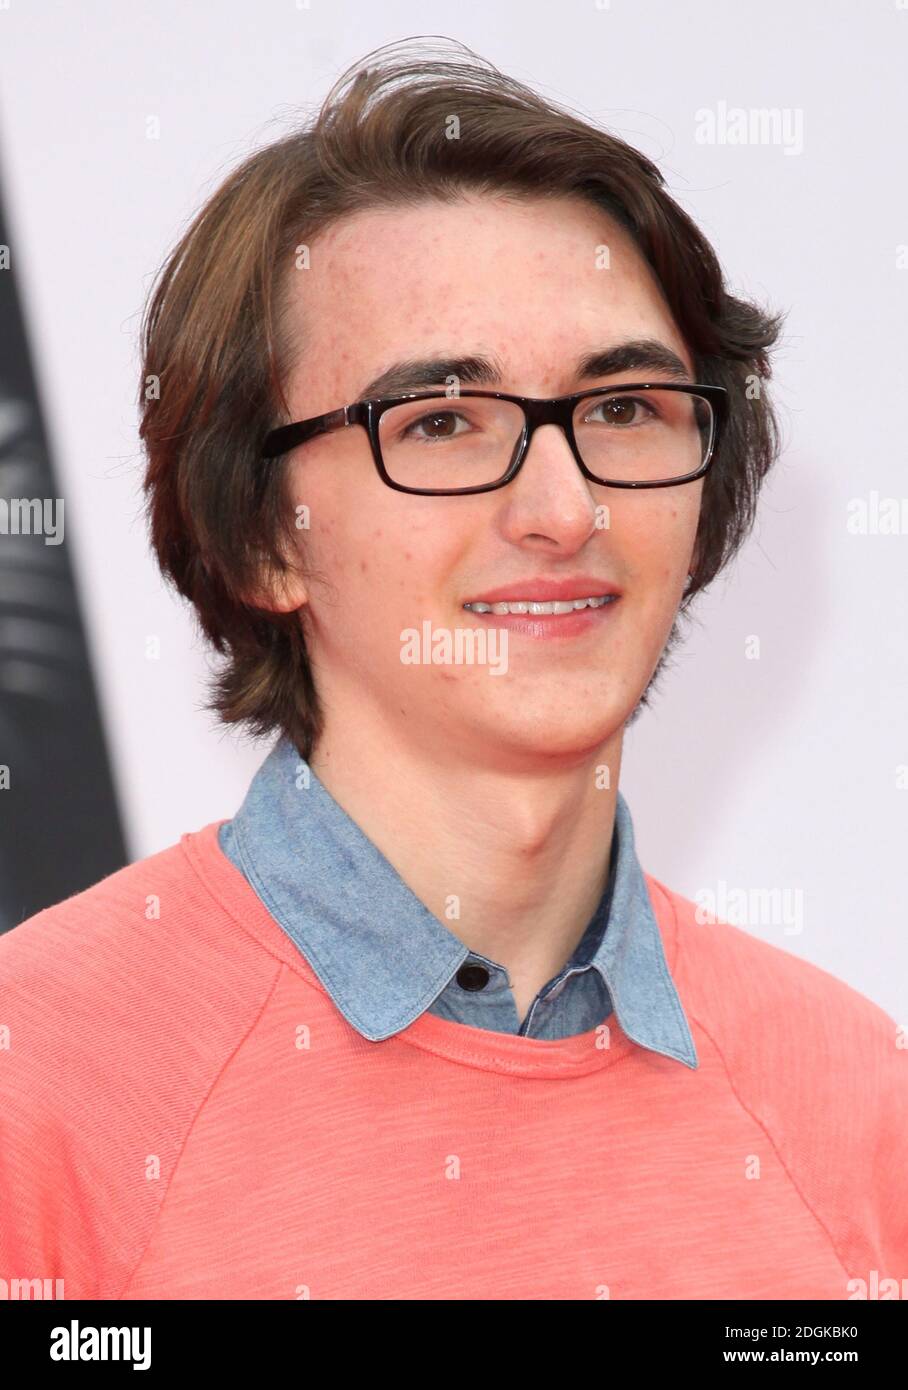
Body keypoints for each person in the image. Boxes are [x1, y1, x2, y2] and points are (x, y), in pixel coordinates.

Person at [1, 38, 904, 1302]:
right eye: (436, 422)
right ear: (262, 534)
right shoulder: (37, 1081)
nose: (562, 504)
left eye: (624, 405)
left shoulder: (851, 1094)